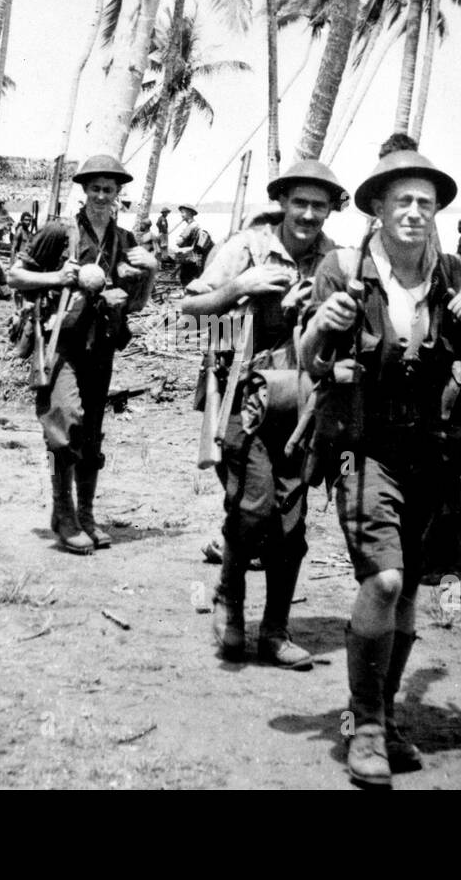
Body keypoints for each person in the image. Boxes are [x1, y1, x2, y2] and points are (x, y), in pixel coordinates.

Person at [298, 150, 461, 788]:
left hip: (436, 454)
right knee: (383, 582)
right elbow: (309, 361)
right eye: (401, 202)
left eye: (424, 202)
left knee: (411, 594)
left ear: (435, 211)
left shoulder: (457, 273)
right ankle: (363, 724)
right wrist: (320, 330)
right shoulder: (343, 270)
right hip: (368, 448)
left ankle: (385, 716)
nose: (414, 213)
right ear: (378, 209)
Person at [181, 160, 346, 669]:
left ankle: (275, 629)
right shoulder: (248, 246)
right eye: (301, 203)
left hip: (304, 400)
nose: (309, 214)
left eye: (320, 205)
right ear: (284, 204)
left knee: (291, 521)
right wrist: (243, 288)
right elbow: (192, 305)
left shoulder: (333, 259)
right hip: (245, 393)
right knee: (253, 505)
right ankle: (229, 598)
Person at [8, 154, 156, 554]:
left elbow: (138, 304)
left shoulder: (125, 240)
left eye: (109, 190)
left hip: (101, 345)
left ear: (118, 194)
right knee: (64, 421)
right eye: (96, 188)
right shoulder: (59, 231)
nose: (102, 196)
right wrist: (59, 277)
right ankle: (63, 512)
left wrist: (149, 270)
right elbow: (16, 275)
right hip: (62, 345)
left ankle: (86, 514)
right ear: (84, 190)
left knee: (90, 433)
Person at [175, 204, 213, 285]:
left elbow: (179, 242)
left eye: (183, 213)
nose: (181, 215)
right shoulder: (196, 225)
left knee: (185, 277)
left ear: (190, 213)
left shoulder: (191, 226)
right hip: (195, 257)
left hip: (190, 257)